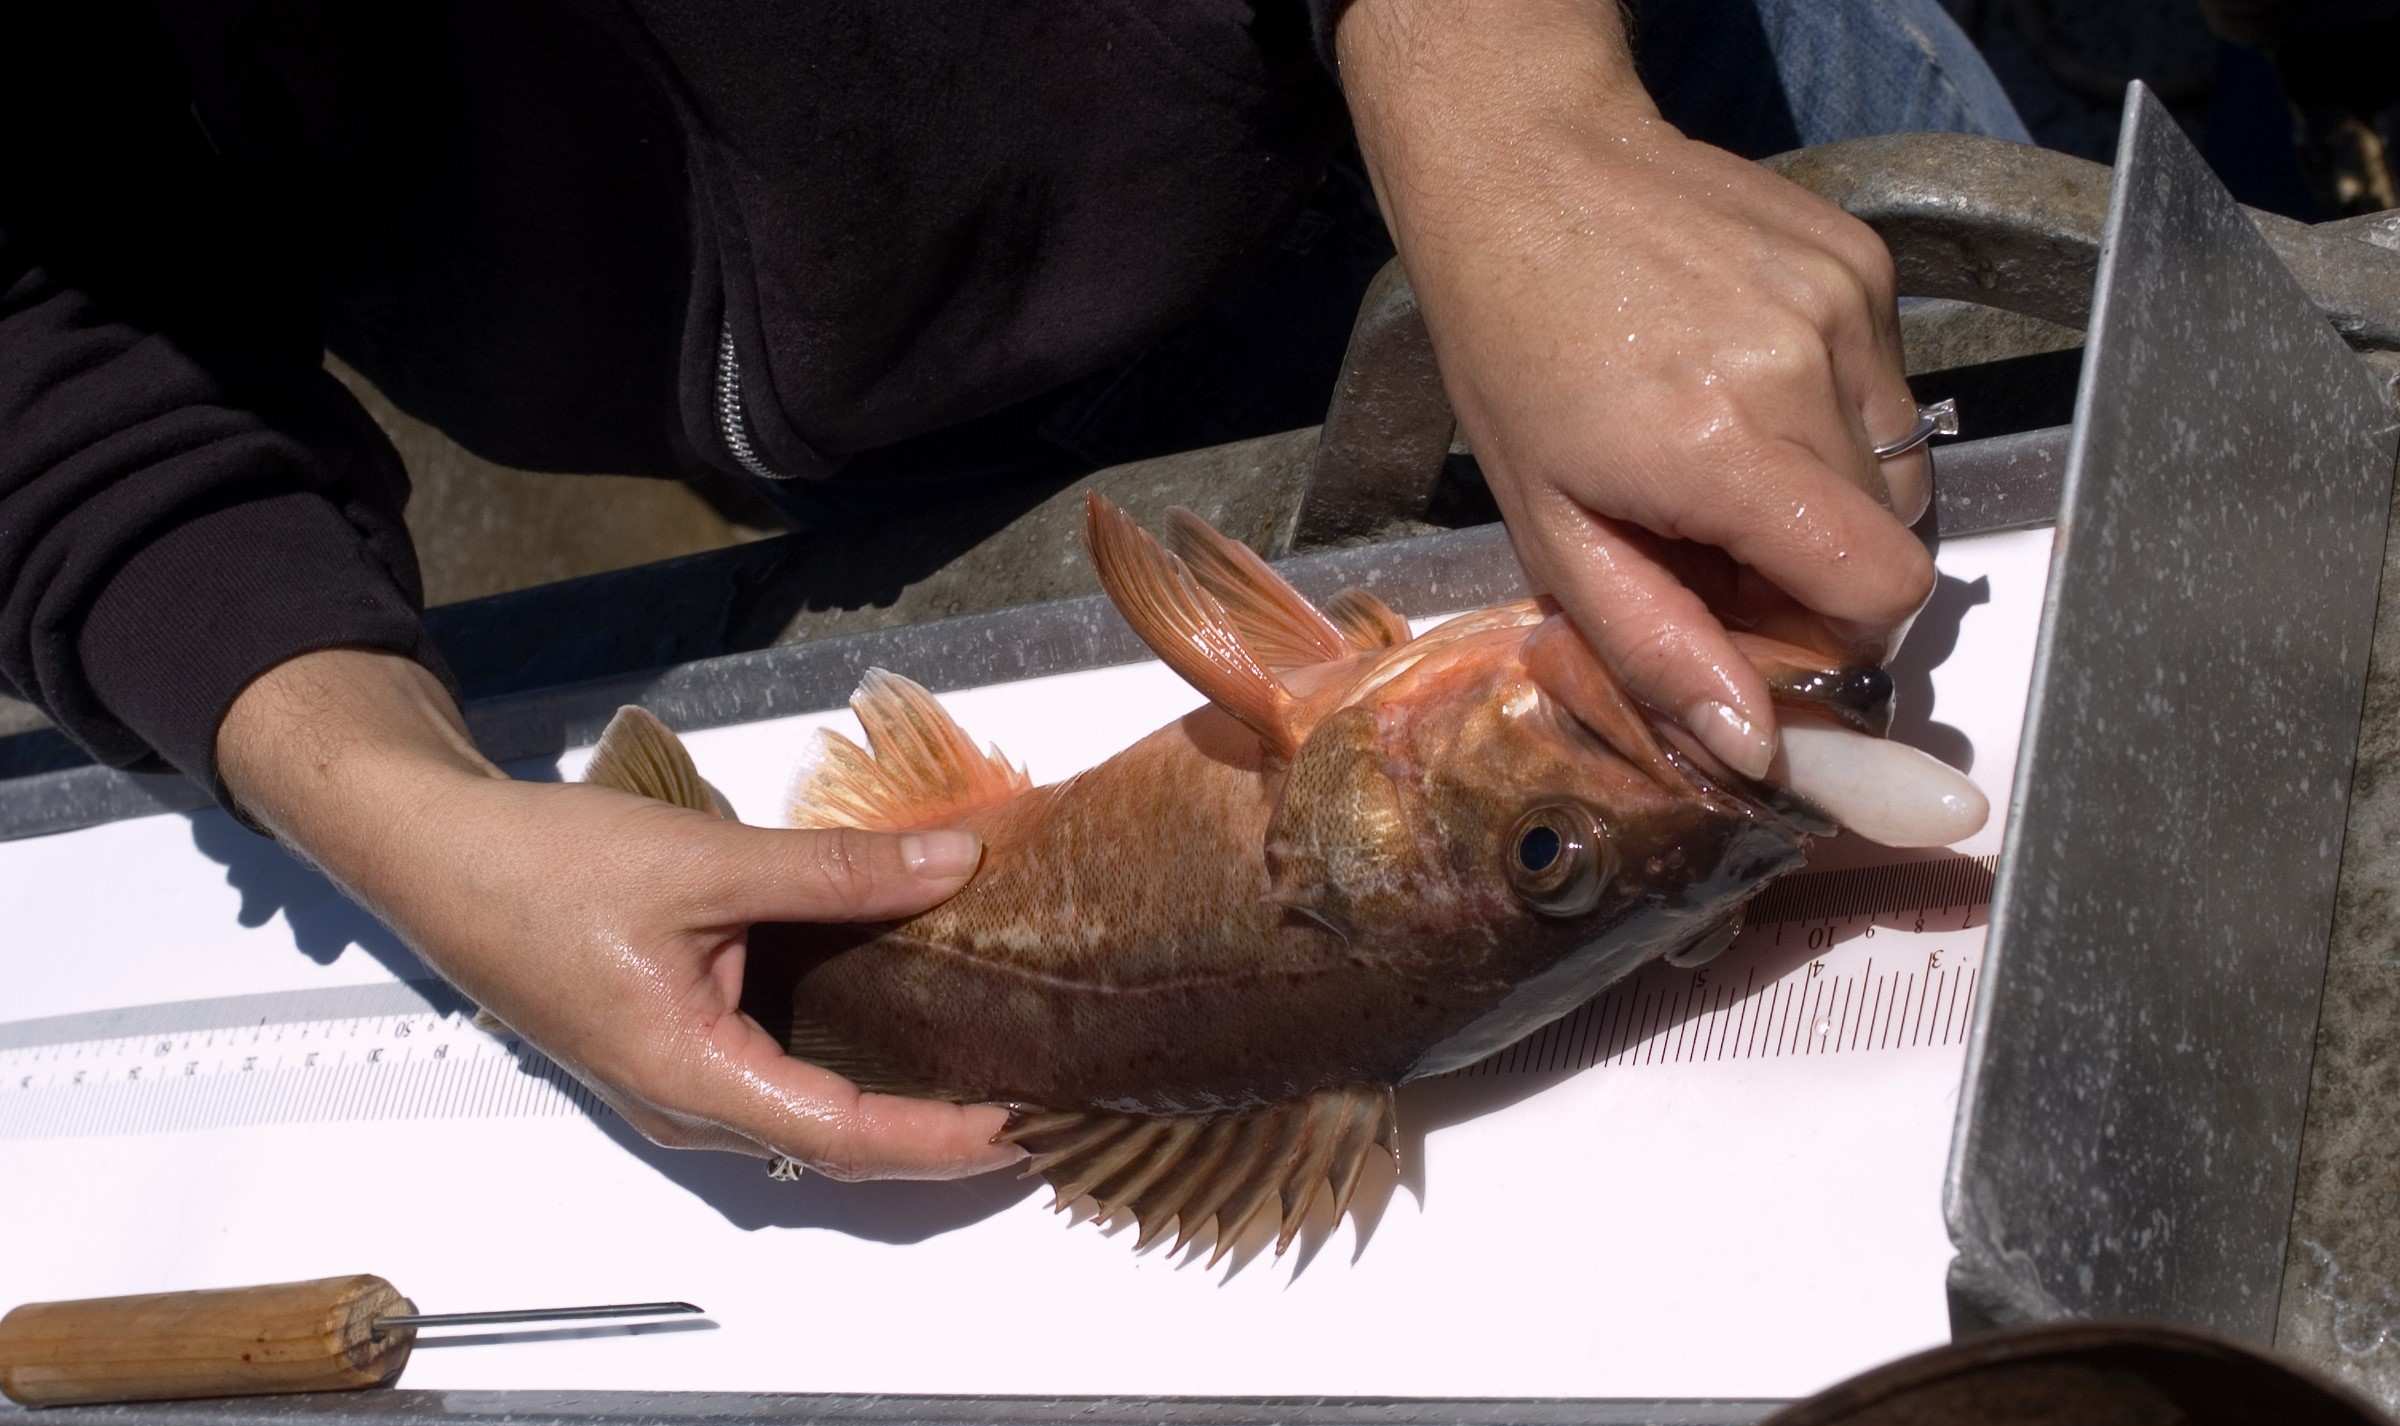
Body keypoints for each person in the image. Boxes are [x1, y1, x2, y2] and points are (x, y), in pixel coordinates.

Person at [0, 0, 2025, 1181]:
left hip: (1591, 119)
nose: (1647, 787)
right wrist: (397, 809)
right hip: (900, 436)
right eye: (1546, 857)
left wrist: (1521, 116)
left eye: (1565, 850)